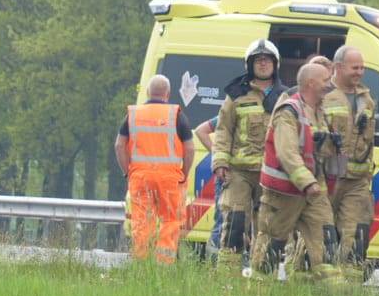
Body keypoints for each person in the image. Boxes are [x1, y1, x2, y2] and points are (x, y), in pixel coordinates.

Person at [252, 62, 338, 280]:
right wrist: (307, 182)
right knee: (272, 242)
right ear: (311, 83)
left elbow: (320, 152)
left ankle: (332, 295)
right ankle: (258, 292)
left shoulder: (321, 112)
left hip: (314, 192)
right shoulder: (288, 111)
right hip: (285, 193)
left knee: (327, 238)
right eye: (326, 80)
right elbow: (287, 152)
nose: (330, 85)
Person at [212, 39, 287, 275]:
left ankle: (262, 278)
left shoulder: (285, 97)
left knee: (268, 227)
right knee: (234, 222)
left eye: (267, 60)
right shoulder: (236, 95)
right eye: (258, 60)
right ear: (250, 64)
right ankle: (227, 277)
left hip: (271, 173)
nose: (263, 64)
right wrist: (220, 161)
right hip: (239, 172)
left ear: (275, 64)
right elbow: (223, 130)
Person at [115, 75, 195, 264]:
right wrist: (185, 171)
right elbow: (190, 148)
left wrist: (127, 171)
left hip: (140, 177)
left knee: (142, 221)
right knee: (170, 220)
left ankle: (141, 263)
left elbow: (119, 145)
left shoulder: (133, 114)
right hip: (169, 178)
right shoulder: (176, 115)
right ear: (167, 94)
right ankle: (164, 263)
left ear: (148, 92)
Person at [324, 45, 376, 271]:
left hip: (357, 180)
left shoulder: (367, 100)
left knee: (353, 234)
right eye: (355, 67)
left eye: (362, 68)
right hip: (327, 178)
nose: (360, 72)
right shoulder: (323, 95)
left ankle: (348, 287)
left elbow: (370, 141)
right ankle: (309, 282)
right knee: (320, 233)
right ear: (338, 67)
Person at [194, 117, 223, 261]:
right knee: (223, 224)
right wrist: (218, 157)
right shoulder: (232, 109)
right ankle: (213, 265)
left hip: (236, 178)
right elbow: (201, 131)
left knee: (223, 223)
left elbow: (201, 130)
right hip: (230, 178)